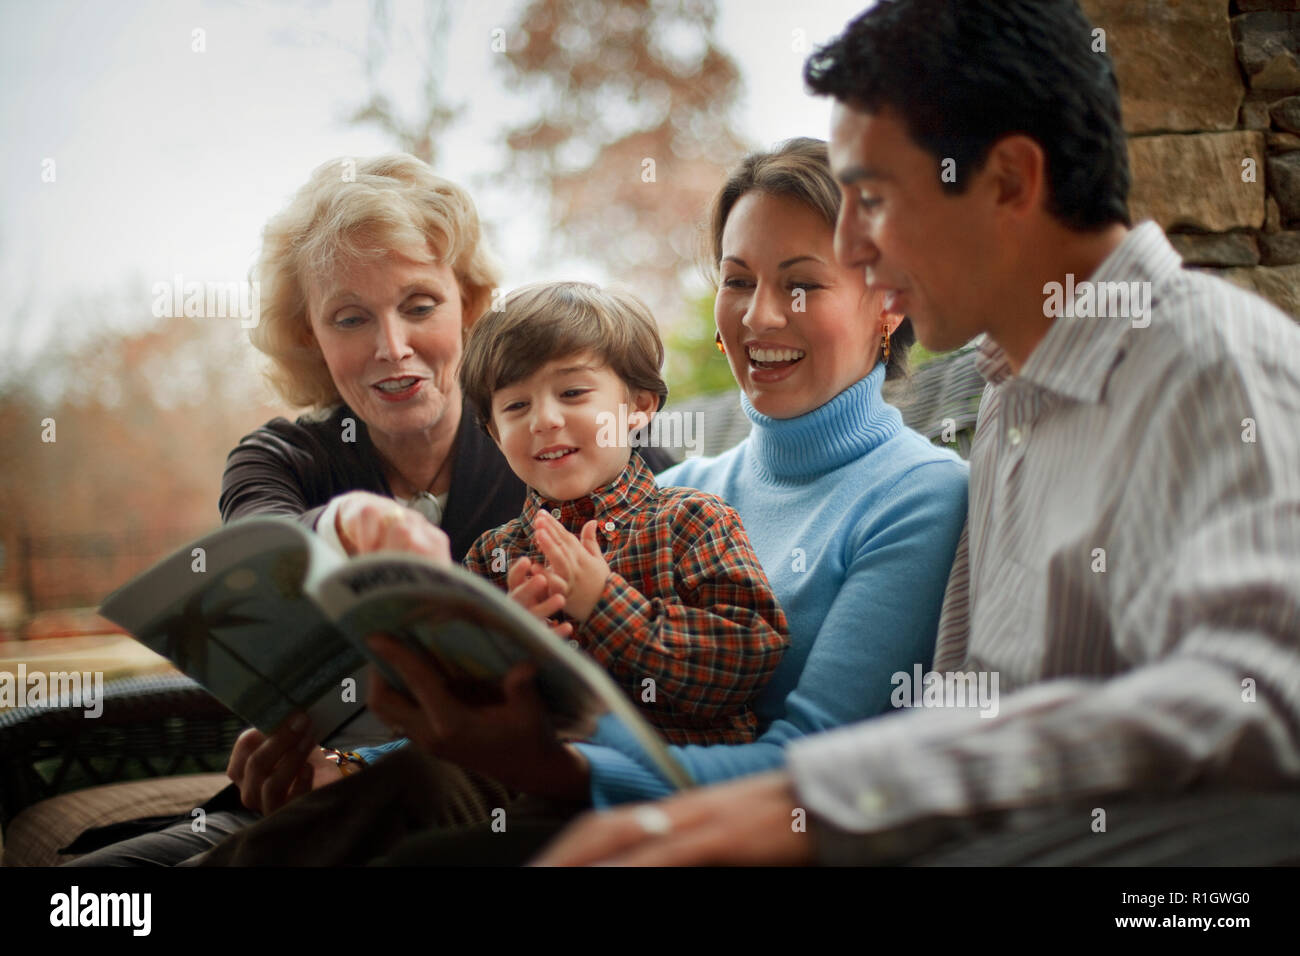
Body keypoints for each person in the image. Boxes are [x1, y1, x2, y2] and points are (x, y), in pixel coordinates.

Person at [533, 0, 1300, 867]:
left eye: (872, 199)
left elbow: (1266, 697)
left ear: (1009, 180)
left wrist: (814, 799)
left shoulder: (1213, 362)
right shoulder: (1015, 400)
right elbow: (959, 715)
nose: (856, 248)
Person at [239, 136, 966, 866]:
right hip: (546, 796)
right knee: (389, 802)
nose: (760, 316)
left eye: (801, 283)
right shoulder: (677, 491)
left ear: (889, 303)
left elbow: (804, 770)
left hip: (719, 837)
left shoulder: (916, 495)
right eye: (738, 281)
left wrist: (557, 752)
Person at [64, 154, 675, 865]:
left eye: (419, 306)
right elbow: (268, 540)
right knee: (99, 885)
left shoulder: (565, 447)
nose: (393, 347)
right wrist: (341, 525)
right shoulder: (282, 458)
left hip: (494, 804)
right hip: (307, 799)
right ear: (310, 339)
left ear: (469, 308)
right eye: (350, 318)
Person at [456, 280, 789, 750]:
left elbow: (746, 661)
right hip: (527, 784)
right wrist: (504, 652)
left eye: (572, 392)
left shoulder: (692, 521)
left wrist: (605, 605)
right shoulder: (491, 557)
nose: (544, 420)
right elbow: (459, 710)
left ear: (639, 407)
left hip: (672, 788)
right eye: (516, 405)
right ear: (493, 432)